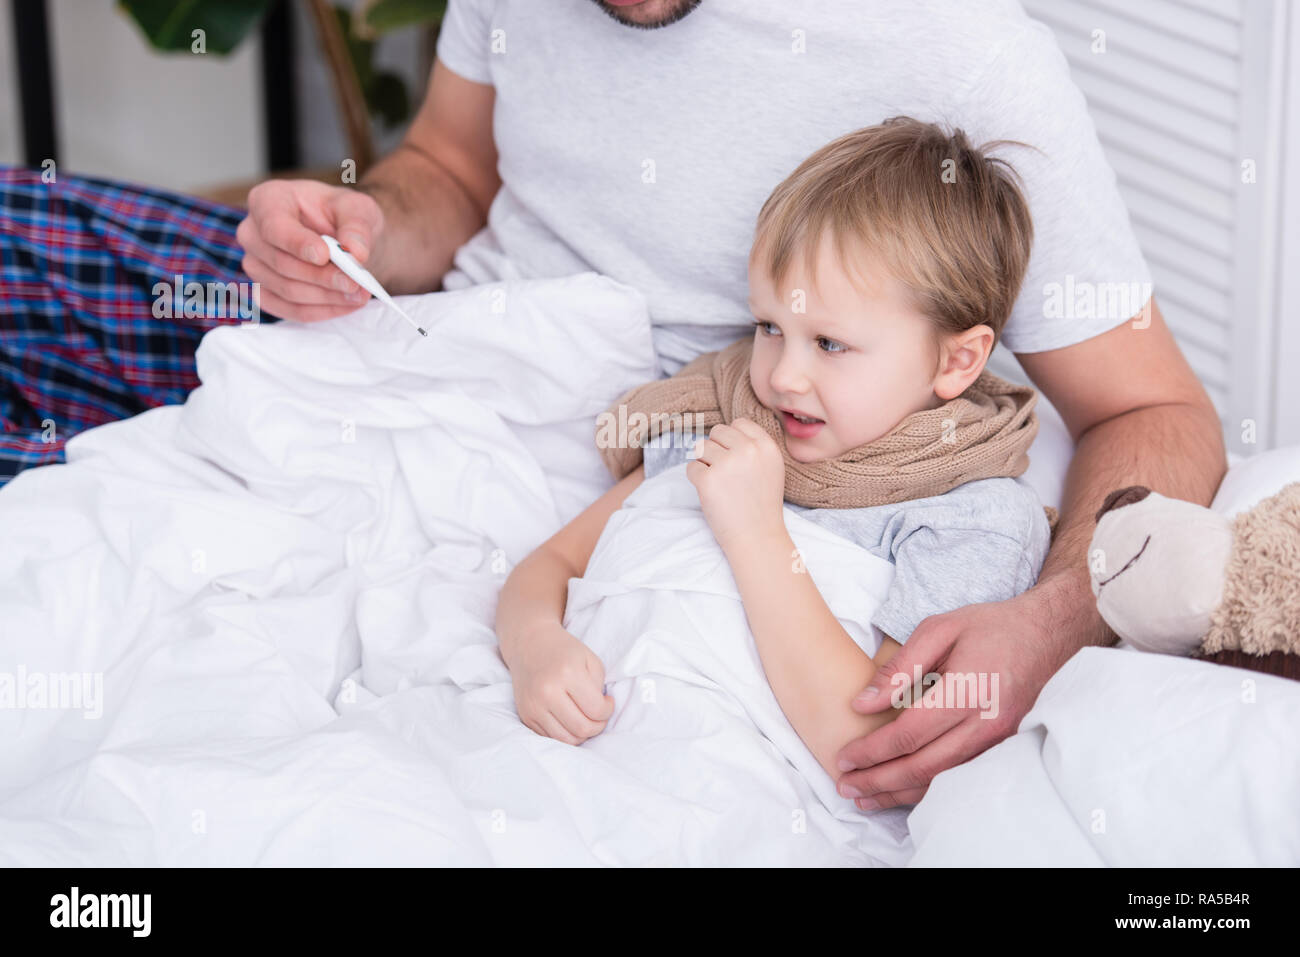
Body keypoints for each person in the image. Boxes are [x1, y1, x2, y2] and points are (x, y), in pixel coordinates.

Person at [3, 0, 1227, 811]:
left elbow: (1152, 406)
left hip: (630, 455)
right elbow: (448, 165)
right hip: (442, 358)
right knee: (20, 227)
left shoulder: (950, 43)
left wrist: (1057, 616)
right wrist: (367, 223)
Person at [494, 117, 1056, 785]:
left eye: (830, 343)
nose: (782, 376)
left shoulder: (973, 518)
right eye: (768, 326)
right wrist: (536, 647)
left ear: (957, 359)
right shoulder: (730, 427)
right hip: (588, 757)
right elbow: (550, 564)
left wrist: (756, 531)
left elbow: (873, 743)